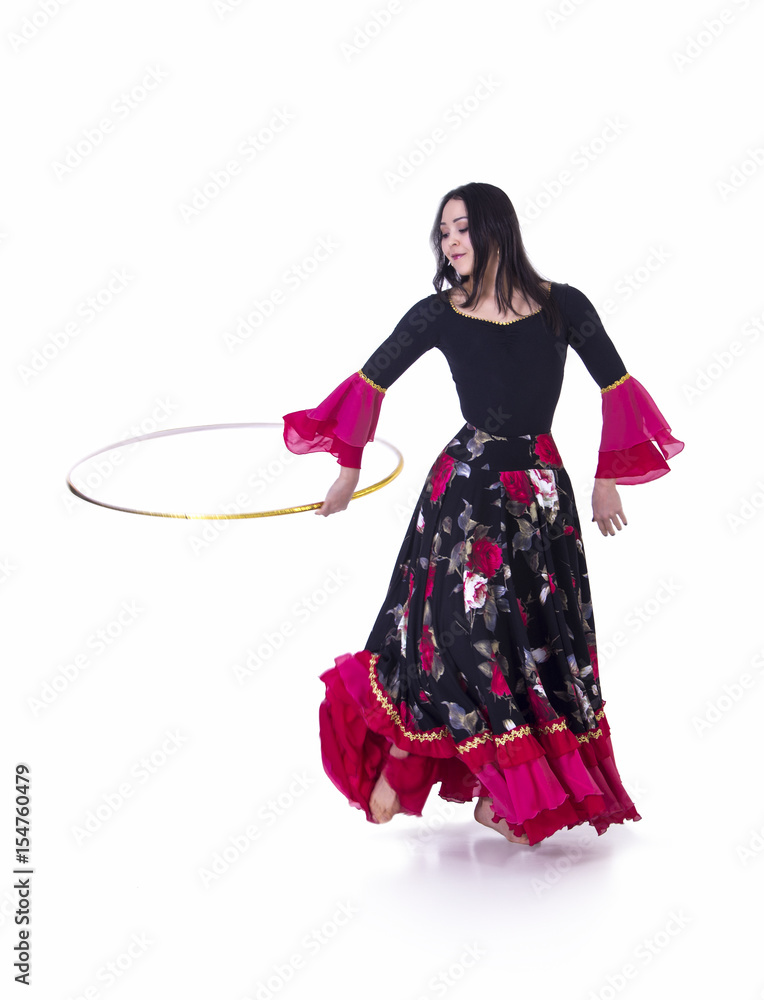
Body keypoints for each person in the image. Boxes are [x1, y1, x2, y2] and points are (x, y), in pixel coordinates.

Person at [282, 182, 683, 847]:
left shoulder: (564, 306)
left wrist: (606, 478)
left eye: (461, 227)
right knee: (451, 632)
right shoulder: (437, 314)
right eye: (443, 233)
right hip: (463, 495)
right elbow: (371, 381)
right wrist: (348, 473)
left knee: (530, 640)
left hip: (539, 498)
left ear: (496, 227)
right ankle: (410, 765)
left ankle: (505, 794)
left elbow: (617, 384)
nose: (451, 242)